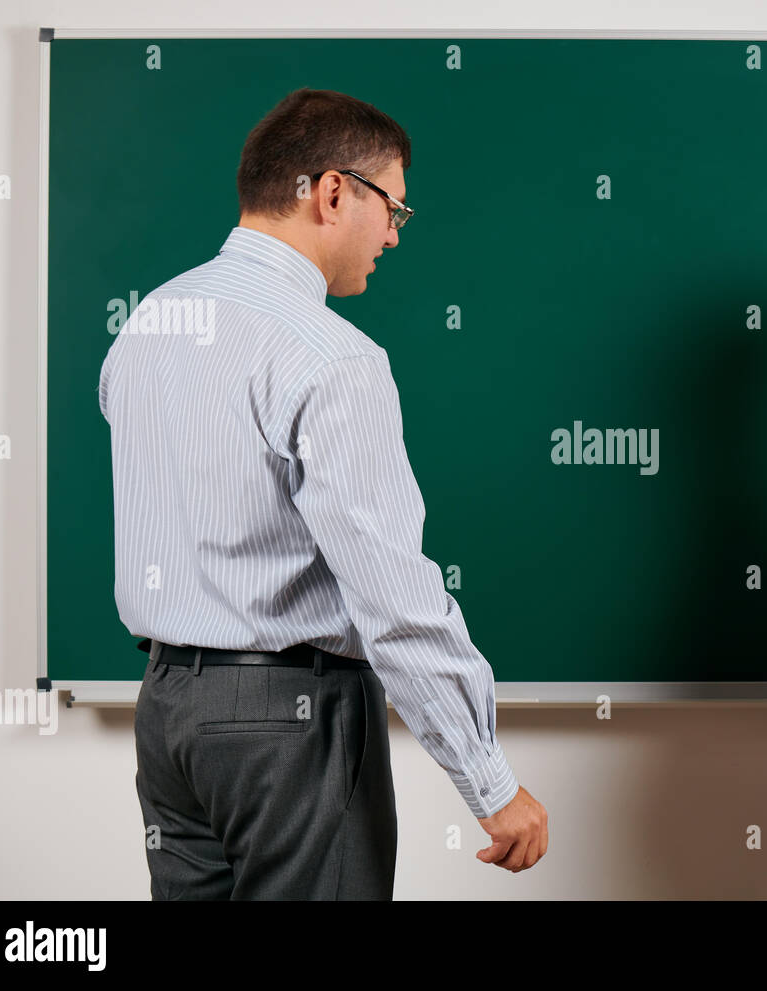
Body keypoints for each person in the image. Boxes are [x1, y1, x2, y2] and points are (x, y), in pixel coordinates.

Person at [100, 88, 548, 899]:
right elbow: (394, 597)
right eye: (394, 210)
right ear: (334, 190)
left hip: (168, 713)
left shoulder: (147, 325)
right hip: (288, 717)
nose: (392, 236)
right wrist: (490, 783)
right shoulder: (333, 357)